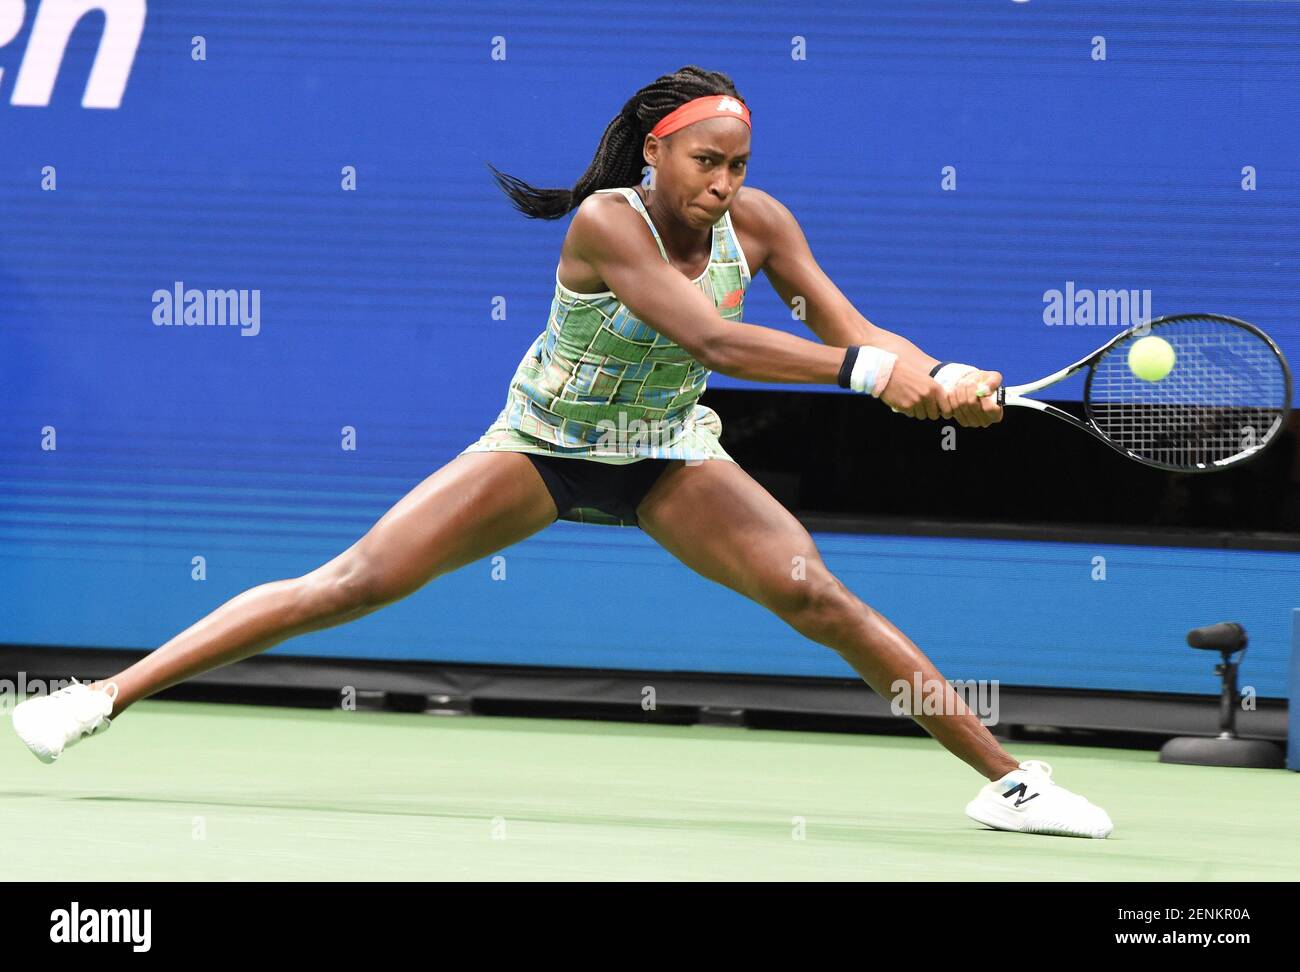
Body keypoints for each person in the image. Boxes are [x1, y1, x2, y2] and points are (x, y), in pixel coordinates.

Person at [13, 65, 1112, 839]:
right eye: (704, 162)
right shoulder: (606, 225)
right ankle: (101, 698)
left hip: (670, 456)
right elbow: (713, 338)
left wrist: (945, 374)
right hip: (543, 449)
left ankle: (1007, 784)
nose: (722, 184)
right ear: (656, 150)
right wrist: (874, 380)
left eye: (737, 164)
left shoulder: (762, 224)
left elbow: (849, 325)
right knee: (346, 585)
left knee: (812, 591)